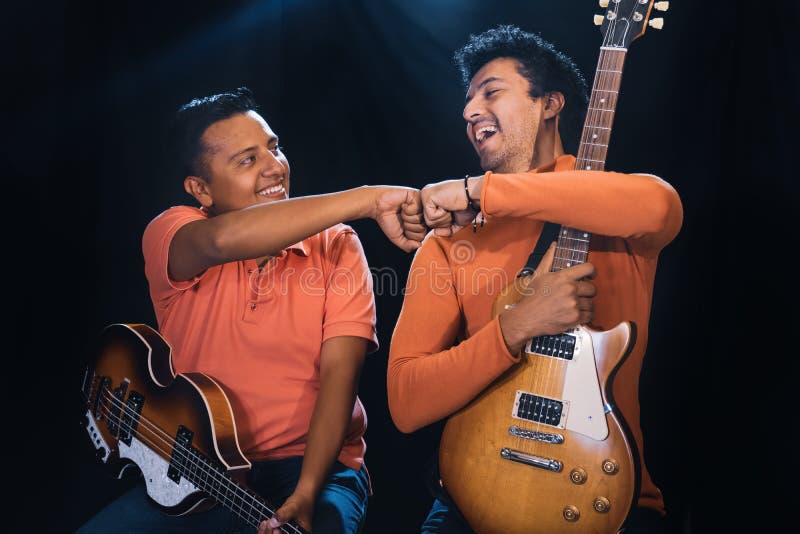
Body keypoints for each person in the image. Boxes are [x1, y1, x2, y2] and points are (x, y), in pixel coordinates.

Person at [78, 87, 426, 534]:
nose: (274, 167)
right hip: (194, 466)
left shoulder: (337, 243)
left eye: (274, 148)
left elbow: (340, 376)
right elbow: (221, 240)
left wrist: (305, 493)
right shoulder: (174, 231)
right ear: (201, 189)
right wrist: (370, 199)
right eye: (247, 160)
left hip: (309, 465)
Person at [387, 25, 683, 533]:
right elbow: (406, 403)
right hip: (467, 503)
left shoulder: (620, 208)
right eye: (468, 100)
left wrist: (482, 191)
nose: (470, 110)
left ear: (550, 104)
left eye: (491, 91)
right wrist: (516, 325)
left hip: (600, 497)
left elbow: (661, 207)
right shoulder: (449, 243)